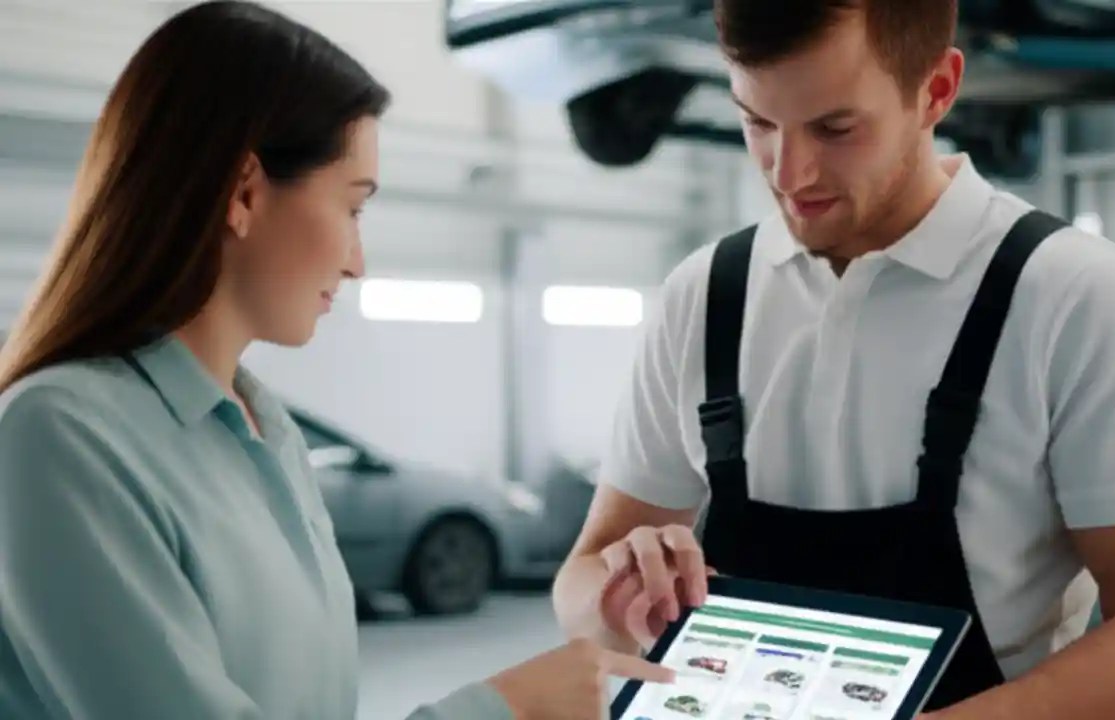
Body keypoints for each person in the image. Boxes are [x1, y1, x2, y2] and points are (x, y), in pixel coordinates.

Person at [0, 2, 670, 719]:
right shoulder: (58, 435)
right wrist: (502, 709)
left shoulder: (265, 430)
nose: (357, 262)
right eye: (353, 209)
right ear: (245, 191)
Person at [554, 1, 1115, 718]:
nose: (789, 171)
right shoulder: (704, 295)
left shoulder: (1076, 297)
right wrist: (618, 597)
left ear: (936, 90)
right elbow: (581, 581)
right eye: (758, 122)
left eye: (835, 128)